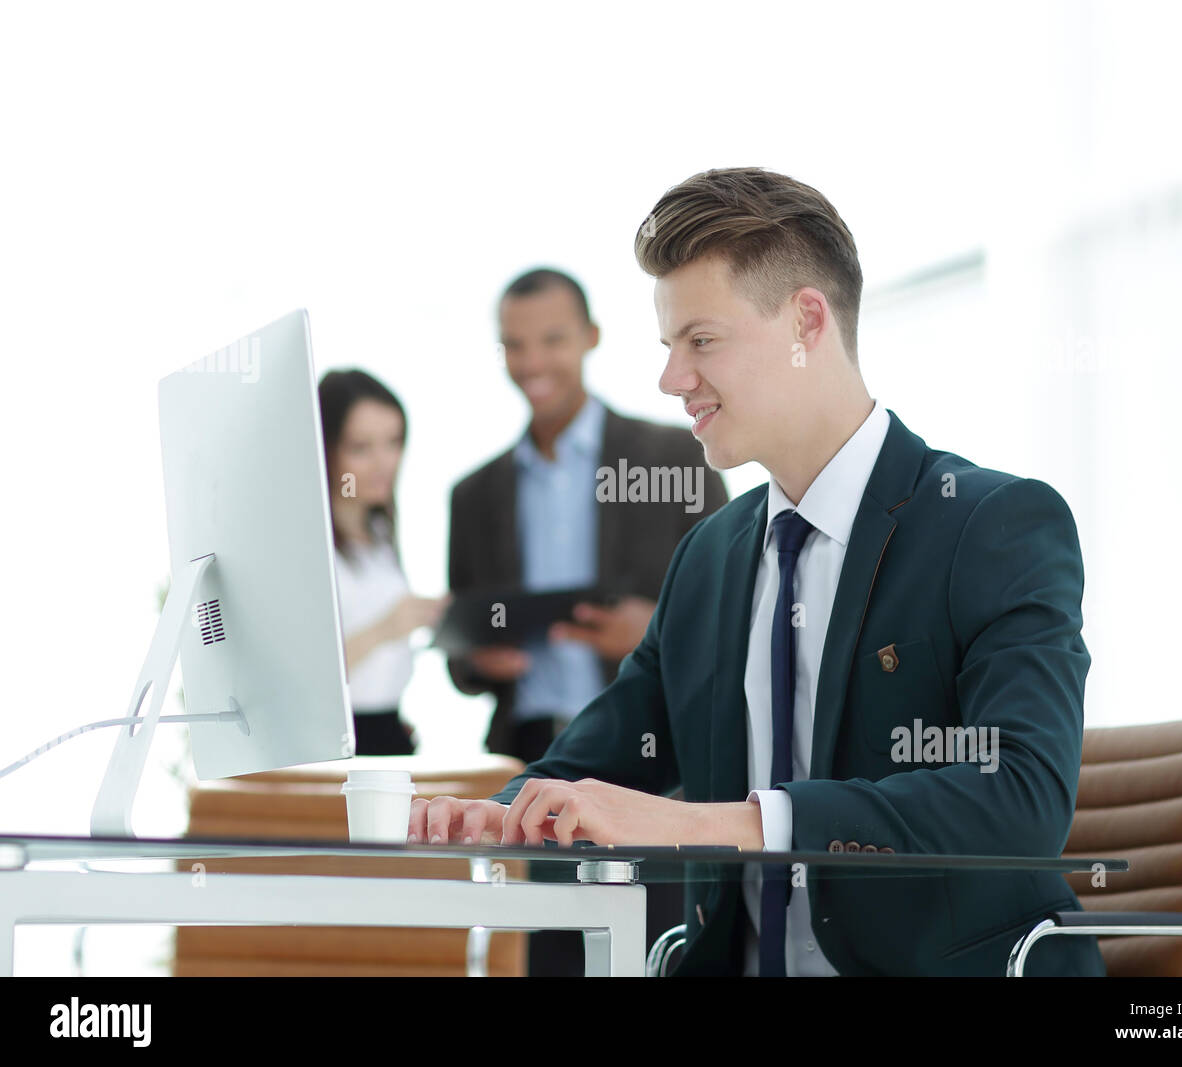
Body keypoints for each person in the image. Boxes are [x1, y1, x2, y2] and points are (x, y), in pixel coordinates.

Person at [411, 168, 1106, 977]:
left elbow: (1021, 799)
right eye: (669, 347)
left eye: (701, 341)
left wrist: (738, 823)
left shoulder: (992, 525)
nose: (672, 379)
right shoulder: (709, 557)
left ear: (806, 322)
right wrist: (498, 813)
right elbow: (601, 758)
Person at [445, 267, 729, 975]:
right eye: (514, 345)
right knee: (546, 962)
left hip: (647, 774)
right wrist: (480, 658)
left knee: (649, 955)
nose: (532, 362)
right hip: (533, 765)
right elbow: (459, 649)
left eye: (551, 340)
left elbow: (737, 621)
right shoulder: (475, 494)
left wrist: (655, 630)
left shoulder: (676, 457)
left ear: (592, 338)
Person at [320, 369, 446, 756]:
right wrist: (387, 628)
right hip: (335, 742)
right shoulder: (311, 547)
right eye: (361, 447)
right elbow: (303, 679)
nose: (384, 463)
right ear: (327, 448)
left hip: (388, 731)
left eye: (393, 442)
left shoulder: (380, 538)